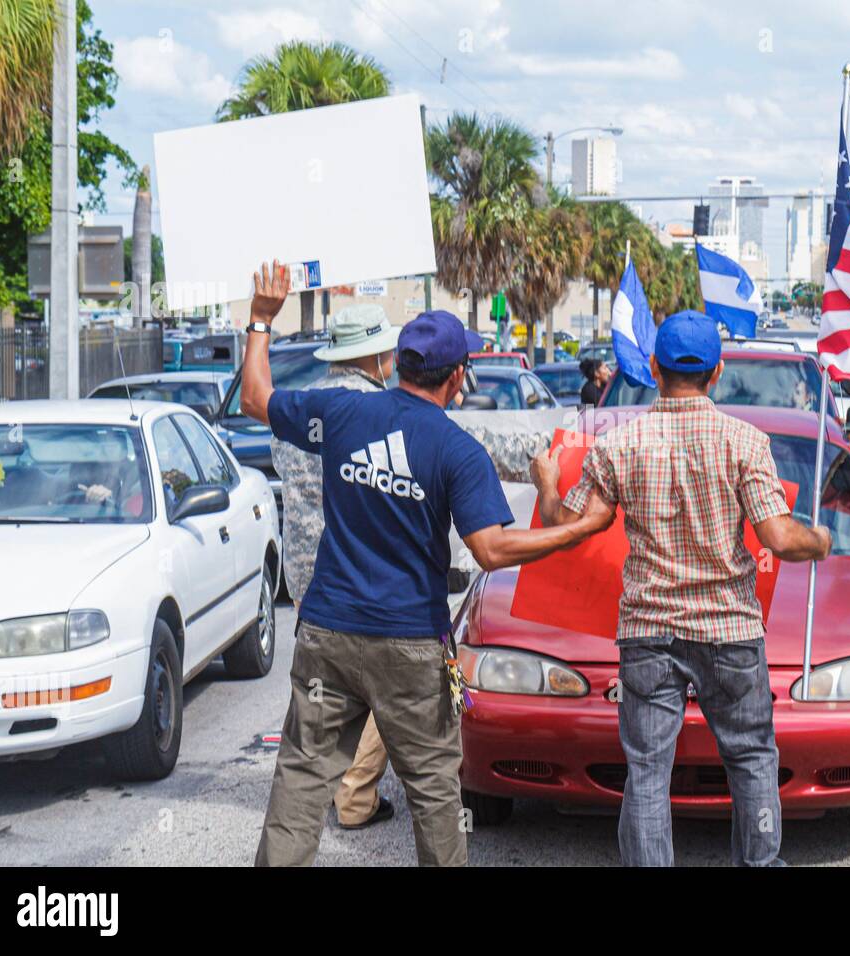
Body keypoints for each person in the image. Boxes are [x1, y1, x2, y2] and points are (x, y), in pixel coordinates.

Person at [241, 262, 613, 867]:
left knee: (301, 783)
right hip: (408, 645)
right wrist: (578, 529)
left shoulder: (340, 413)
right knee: (436, 792)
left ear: (399, 365)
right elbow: (492, 549)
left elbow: (255, 396)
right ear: (456, 376)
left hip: (328, 633)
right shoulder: (454, 448)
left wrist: (261, 317)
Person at [530, 310, 832, 867]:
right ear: (716, 372)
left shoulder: (619, 445)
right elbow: (779, 538)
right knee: (752, 758)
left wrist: (547, 484)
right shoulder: (746, 442)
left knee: (647, 768)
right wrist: (820, 539)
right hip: (730, 630)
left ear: (653, 368)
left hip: (649, 632)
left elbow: (570, 526)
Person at [269, 304, 398, 832]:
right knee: (394, 690)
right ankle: (355, 793)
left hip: (308, 580)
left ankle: (321, 787)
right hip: (360, 571)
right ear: (372, 354)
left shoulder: (303, 406)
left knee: (321, 694)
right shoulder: (377, 410)